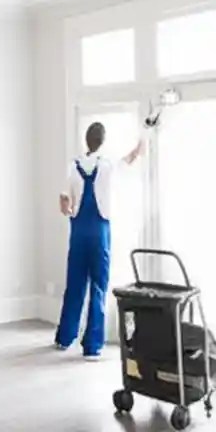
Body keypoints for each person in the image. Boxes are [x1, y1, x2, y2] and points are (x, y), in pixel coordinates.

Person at [54, 120, 147, 360]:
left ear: (86, 141)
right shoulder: (108, 166)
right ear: (102, 142)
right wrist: (143, 141)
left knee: (74, 284)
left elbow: (64, 203)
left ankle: (65, 337)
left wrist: (69, 207)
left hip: (78, 231)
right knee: (98, 285)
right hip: (99, 231)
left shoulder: (72, 167)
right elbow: (130, 159)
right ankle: (92, 346)